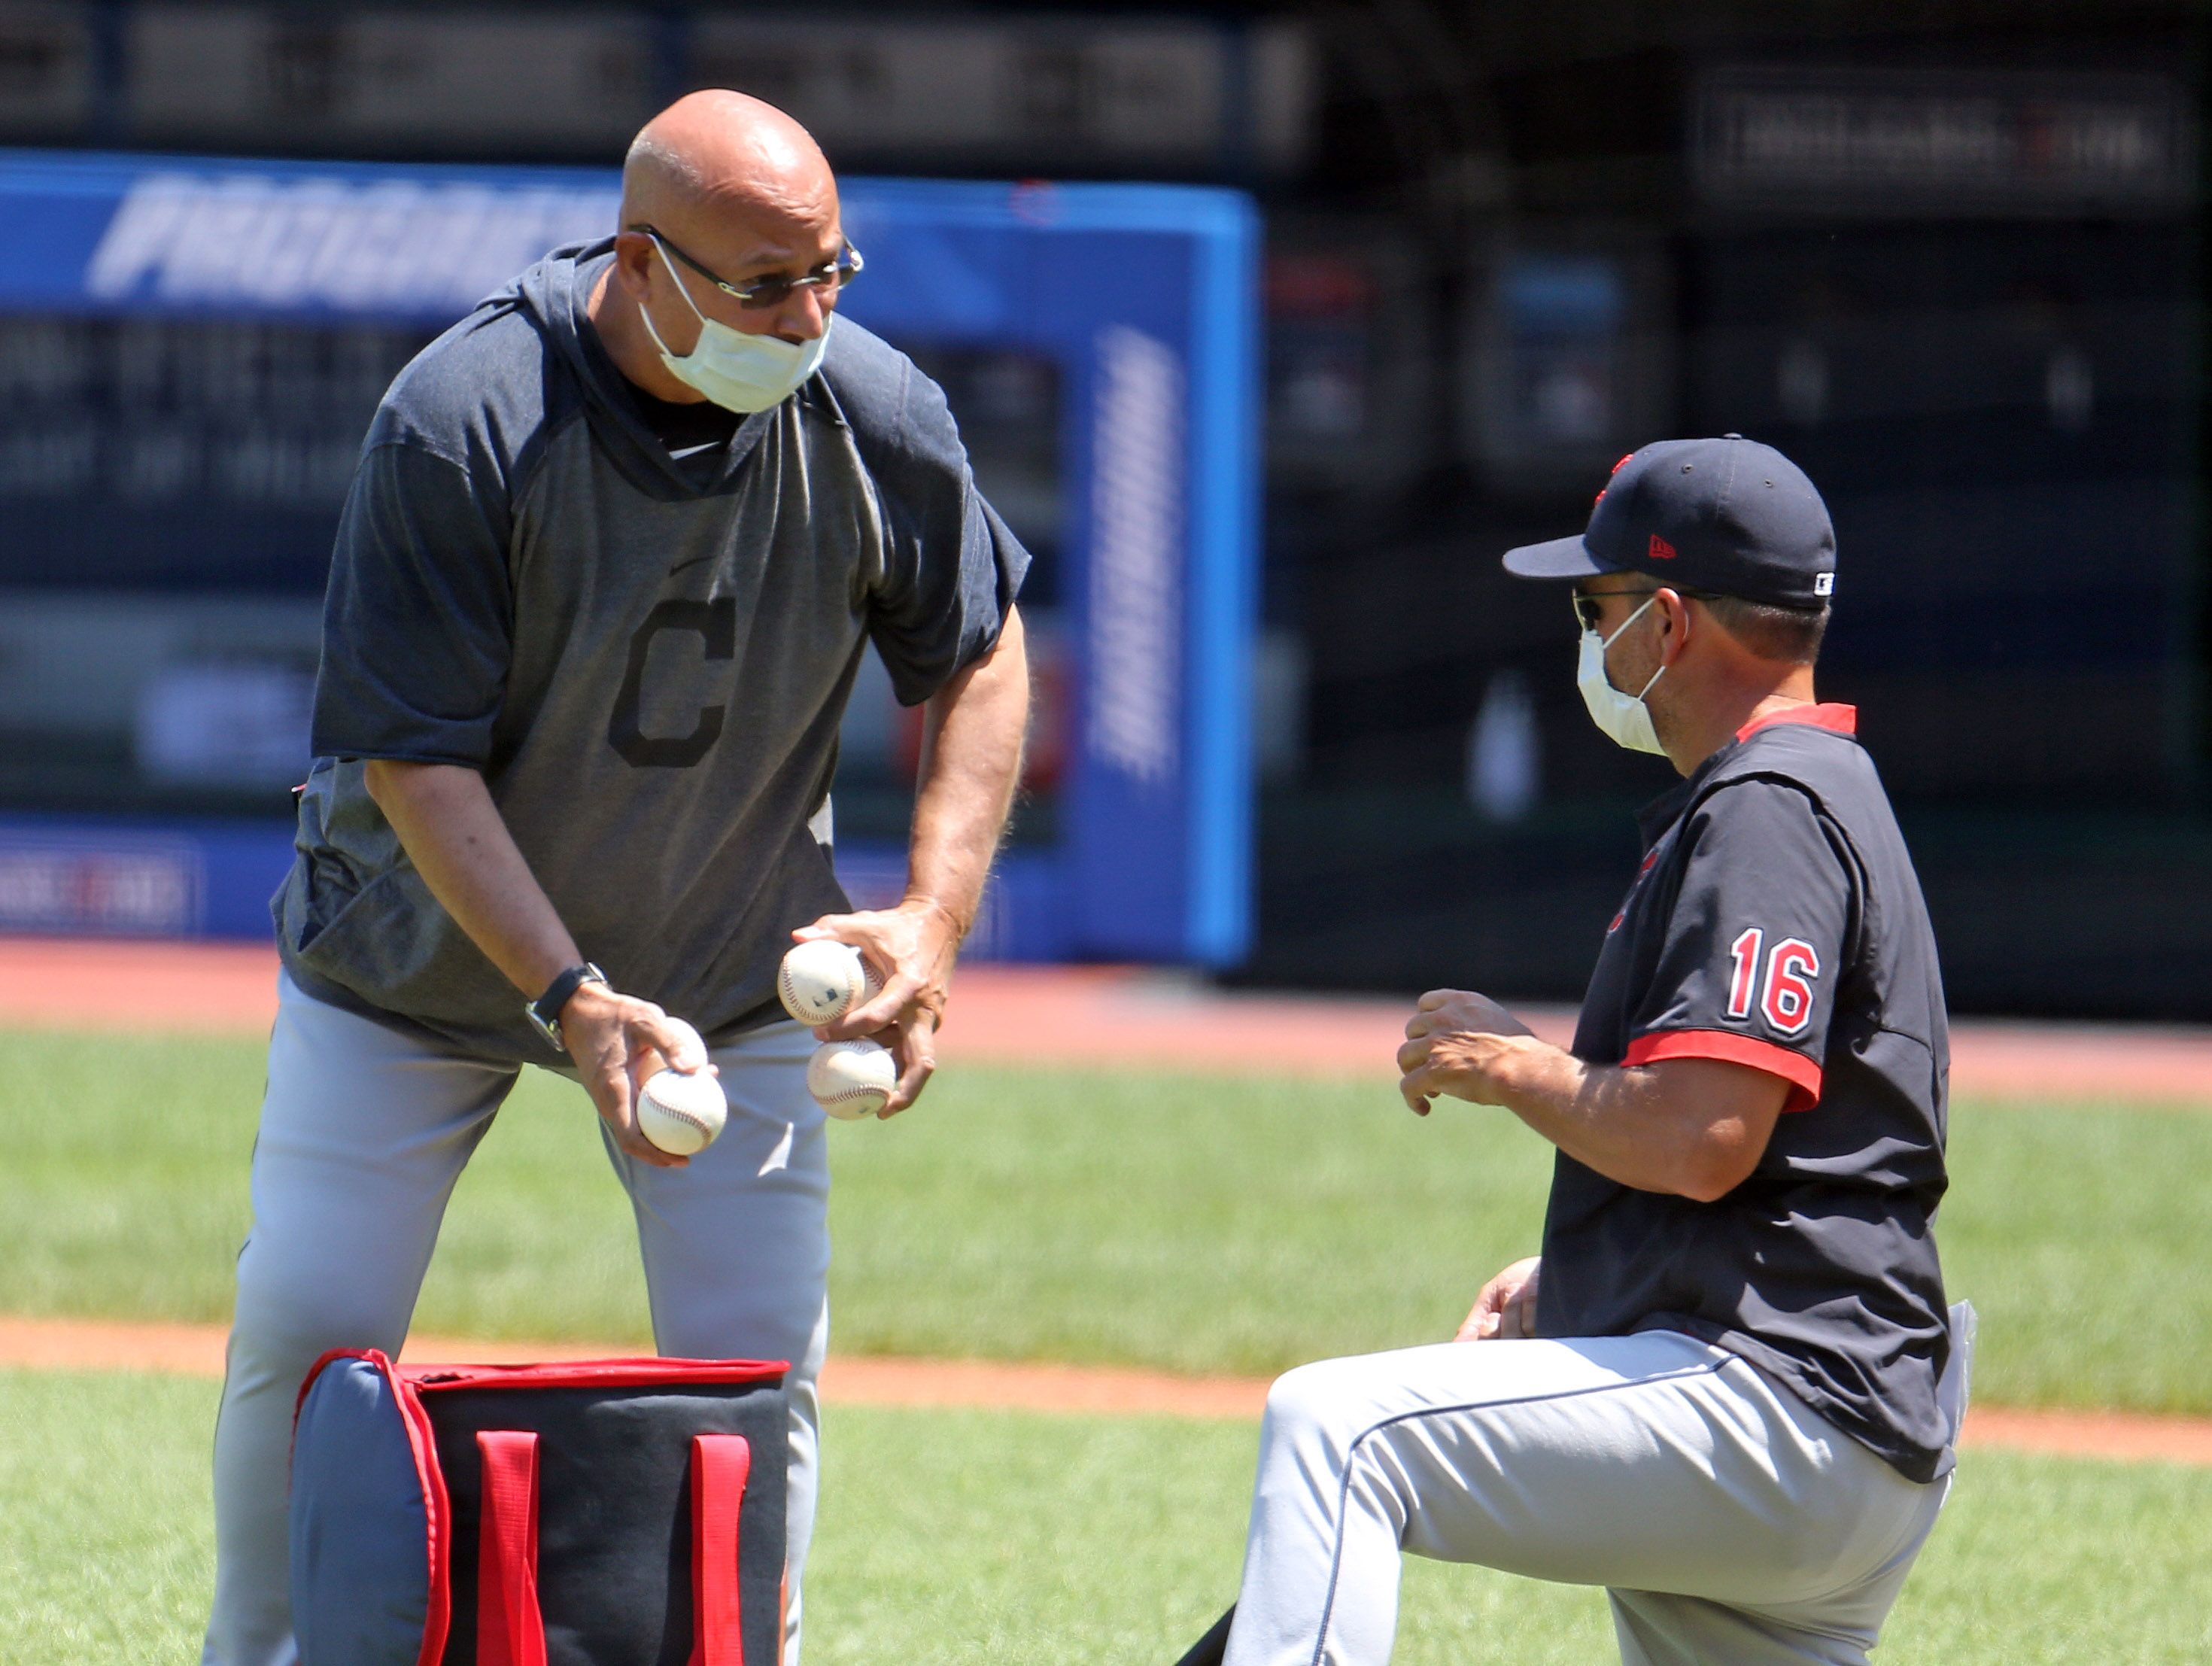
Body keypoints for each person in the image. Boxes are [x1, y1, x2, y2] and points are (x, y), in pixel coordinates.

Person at [204, 91, 1030, 1666]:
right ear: (643, 262)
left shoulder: (873, 409)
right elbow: (415, 760)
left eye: (832, 271)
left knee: (758, 1374)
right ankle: (256, 1654)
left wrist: (935, 916)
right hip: (417, 965)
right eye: (765, 283)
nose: (811, 314)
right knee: (310, 1331)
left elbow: (980, 649)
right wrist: (570, 996)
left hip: (728, 966)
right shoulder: (468, 414)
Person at [1181, 436, 1969, 1666]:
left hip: (1782, 1405)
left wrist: (1514, 1065)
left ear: (1666, 622)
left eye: (1594, 605)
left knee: (1338, 1428)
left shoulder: (1766, 809)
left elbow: (1704, 1137)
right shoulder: (1824, 789)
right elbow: (1789, 1168)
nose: (1586, 635)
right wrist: (1588, 1285)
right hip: (1850, 1421)